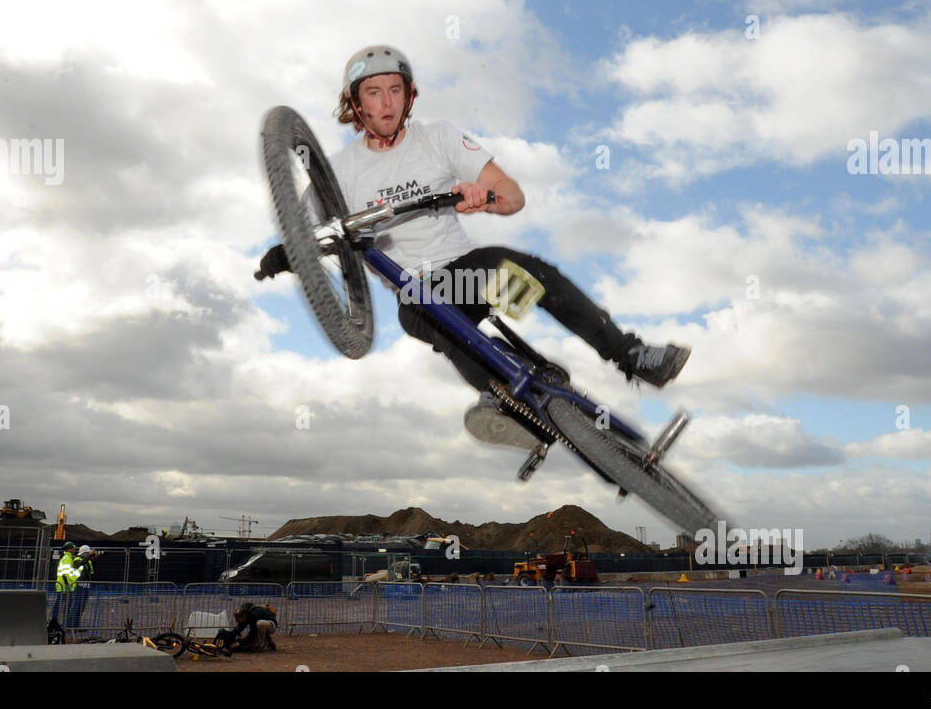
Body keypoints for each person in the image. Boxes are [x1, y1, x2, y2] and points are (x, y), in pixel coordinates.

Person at [258, 45, 691, 449]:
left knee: (527, 274)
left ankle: (630, 354)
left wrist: (483, 197)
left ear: (410, 97)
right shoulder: (339, 173)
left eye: (395, 90)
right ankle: (506, 400)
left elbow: (512, 195)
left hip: (468, 274)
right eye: (374, 92)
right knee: (440, 320)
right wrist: (287, 253)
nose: (386, 102)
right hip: (414, 294)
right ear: (355, 104)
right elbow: (307, 231)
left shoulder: (439, 139)